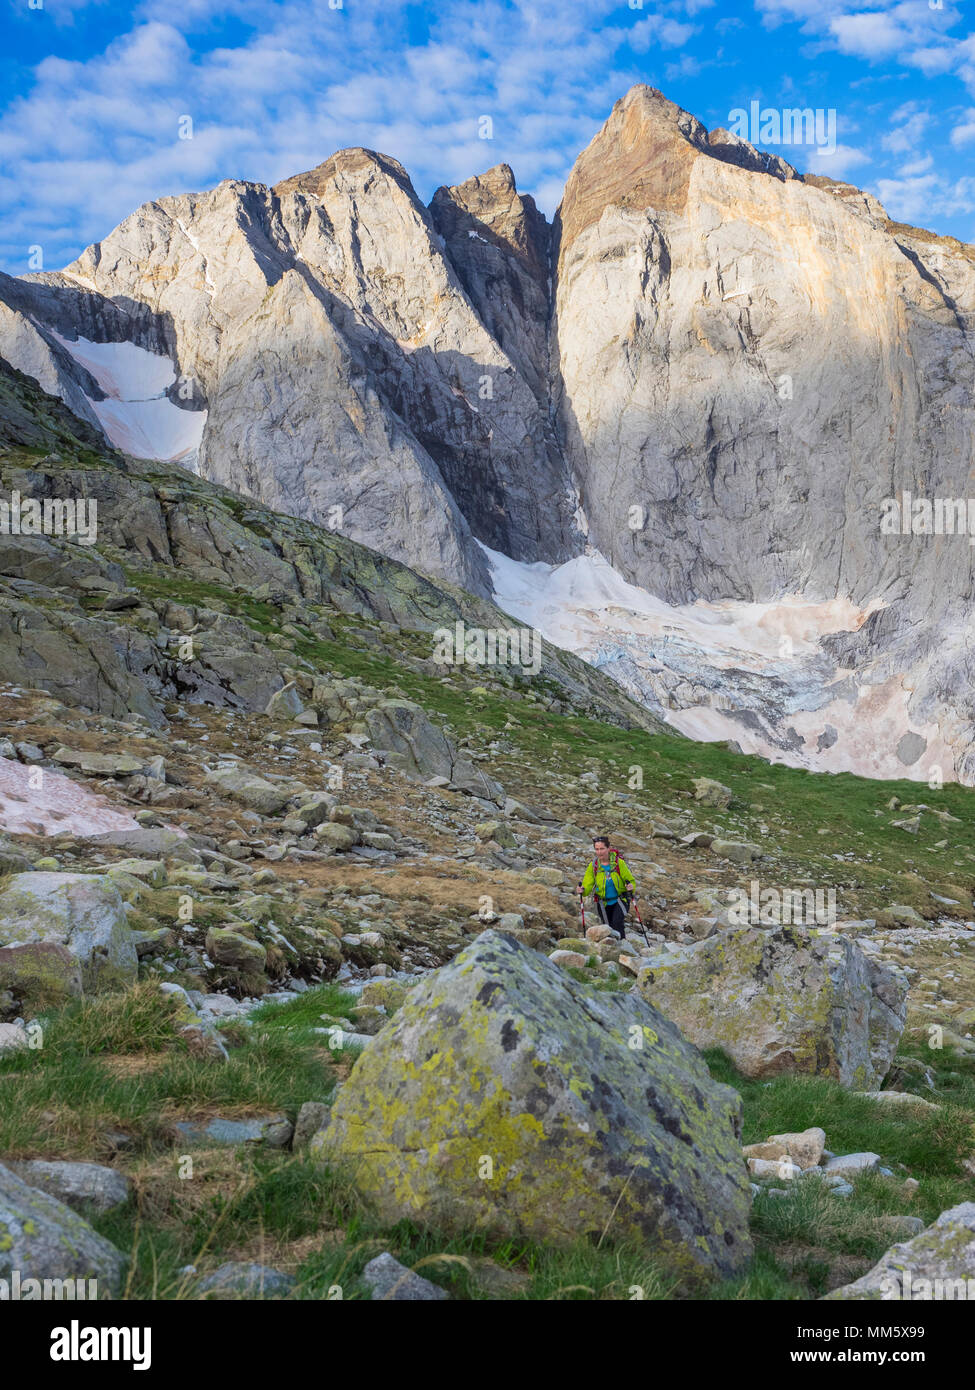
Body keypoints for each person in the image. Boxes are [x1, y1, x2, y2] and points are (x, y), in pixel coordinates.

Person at [580, 835, 636, 940]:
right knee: (608, 927)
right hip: (603, 903)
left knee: (617, 923)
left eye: (602, 849)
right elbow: (587, 883)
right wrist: (582, 890)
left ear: (608, 848)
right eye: (597, 849)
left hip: (620, 899)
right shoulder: (594, 866)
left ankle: (622, 947)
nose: (599, 852)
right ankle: (612, 949)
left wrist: (631, 887)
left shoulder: (619, 863)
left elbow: (630, 880)